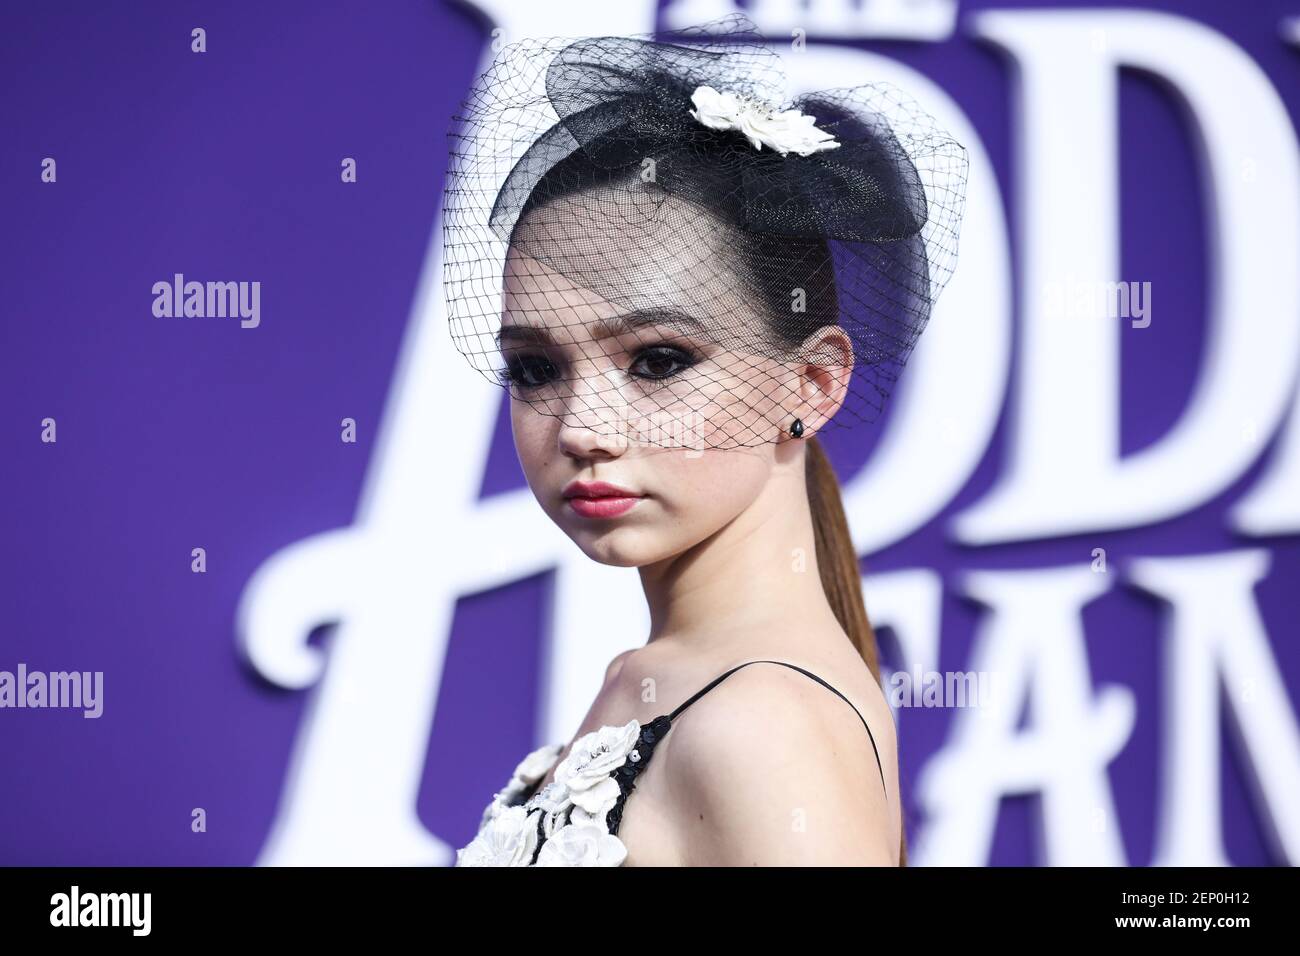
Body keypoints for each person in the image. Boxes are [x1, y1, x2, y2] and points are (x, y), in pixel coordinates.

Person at [444, 12, 968, 866]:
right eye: (535, 369)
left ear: (812, 384)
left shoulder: (759, 726)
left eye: (657, 360)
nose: (582, 429)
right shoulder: (657, 678)